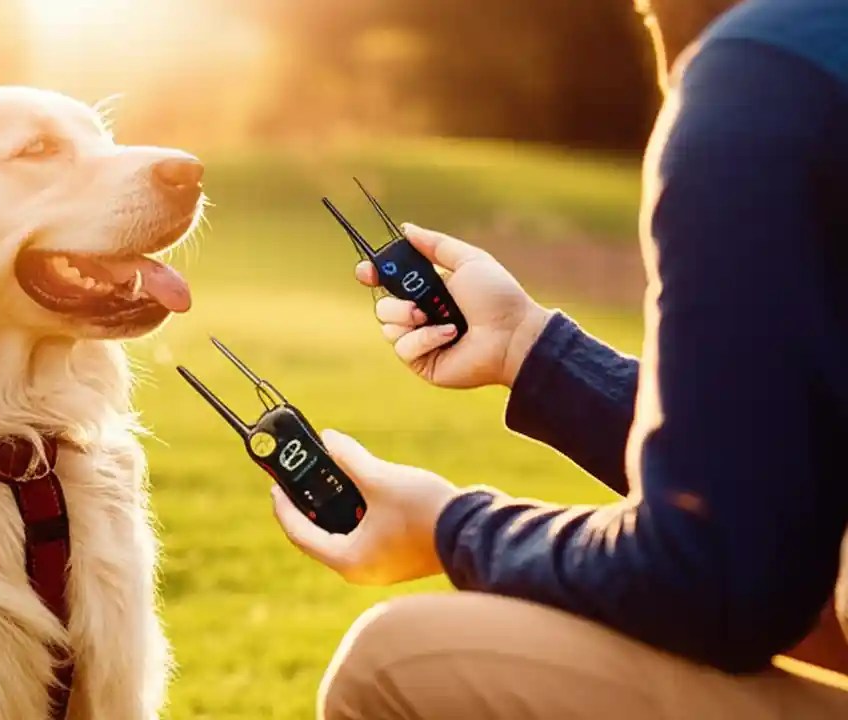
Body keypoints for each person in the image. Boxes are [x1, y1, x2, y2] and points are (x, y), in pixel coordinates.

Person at [269, 0, 848, 717]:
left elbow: (721, 577)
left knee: (395, 664)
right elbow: (768, 468)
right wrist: (529, 348)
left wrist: (449, 528)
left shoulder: (763, 79)